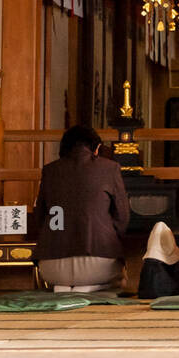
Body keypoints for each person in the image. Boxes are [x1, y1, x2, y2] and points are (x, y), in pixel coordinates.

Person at [31, 125, 130, 293]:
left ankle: (63, 287)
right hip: (99, 264)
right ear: (97, 148)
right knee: (120, 281)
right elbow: (122, 217)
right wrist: (109, 236)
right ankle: (93, 287)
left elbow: (39, 217)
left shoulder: (50, 170)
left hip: (51, 268)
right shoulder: (110, 168)